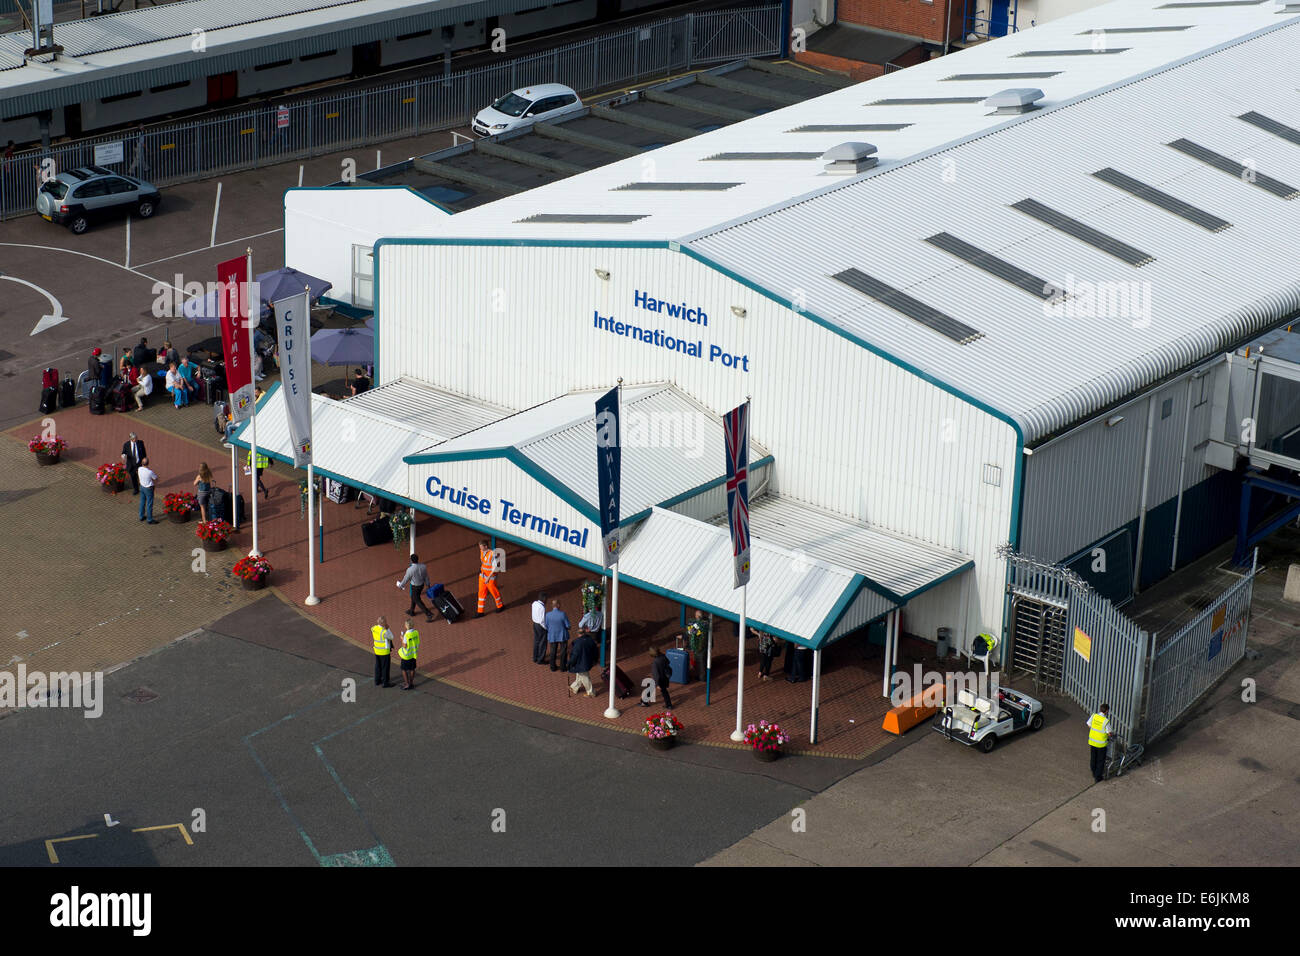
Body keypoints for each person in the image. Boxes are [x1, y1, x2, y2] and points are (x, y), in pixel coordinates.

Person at [396, 553, 435, 622]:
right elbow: (426, 576)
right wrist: (428, 585)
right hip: (421, 585)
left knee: (417, 600)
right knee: (414, 597)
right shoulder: (423, 566)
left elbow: (406, 579)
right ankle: (411, 611)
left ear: (411, 560)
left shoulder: (410, 570)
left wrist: (401, 585)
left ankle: (429, 614)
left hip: (415, 587)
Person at [568, 626, 598, 697]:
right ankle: (574, 687)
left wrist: (570, 663)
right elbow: (595, 651)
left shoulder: (577, 643)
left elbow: (574, 655)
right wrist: (595, 660)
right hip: (588, 661)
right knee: (580, 675)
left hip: (581, 662)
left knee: (584, 677)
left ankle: (591, 692)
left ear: (578, 634)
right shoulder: (590, 640)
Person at [476, 539, 503, 615]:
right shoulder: (481, 552)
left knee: (494, 593)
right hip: (482, 576)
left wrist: (488, 578)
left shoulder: (492, 554)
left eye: (481, 547)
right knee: (481, 594)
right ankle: (480, 612)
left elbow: (495, 568)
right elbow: (483, 562)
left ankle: (500, 606)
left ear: (486, 546)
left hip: (490, 578)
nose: (480, 548)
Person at [1088, 703, 1112, 783]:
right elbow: (1109, 733)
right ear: (1107, 711)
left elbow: (1088, 724)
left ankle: (1093, 771)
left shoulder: (1094, 716)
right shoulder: (1106, 721)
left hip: (1092, 741)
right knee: (1100, 760)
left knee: (1093, 758)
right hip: (1101, 744)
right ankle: (1098, 777)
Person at [544, 599, 570, 672]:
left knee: (553, 652)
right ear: (558, 605)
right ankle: (563, 667)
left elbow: (546, 625)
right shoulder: (562, 614)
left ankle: (552, 667)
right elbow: (567, 625)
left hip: (552, 635)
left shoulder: (548, 615)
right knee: (563, 651)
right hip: (562, 635)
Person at [371, 615, 395, 688]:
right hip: (384, 652)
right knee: (385, 668)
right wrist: (387, 629)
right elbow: (392, 637)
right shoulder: (384, 632)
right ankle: (385, 683)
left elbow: (373, 628)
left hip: (377, 650)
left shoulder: (374, 628)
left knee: (378, 666)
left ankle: (377, 681)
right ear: (384, 623)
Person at [398, 618, 420, 690]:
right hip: (413, 654)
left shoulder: (406, 635)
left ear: (406, 626)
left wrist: (402, 639)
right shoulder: (416, 632)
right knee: (412, 669)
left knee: (404, 669)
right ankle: (411, 683)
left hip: (406, 655)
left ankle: (407, 684)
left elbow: (404, 646)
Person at [531, 591, 548, 664]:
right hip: (540, 626)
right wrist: (546, 628)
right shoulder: (542, 607)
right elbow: (542, 620)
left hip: (535, 623)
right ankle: (540, 659)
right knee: (543, 643)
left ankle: (535, 657)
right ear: (544, 599)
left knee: (536, 641)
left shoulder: (534, 603)